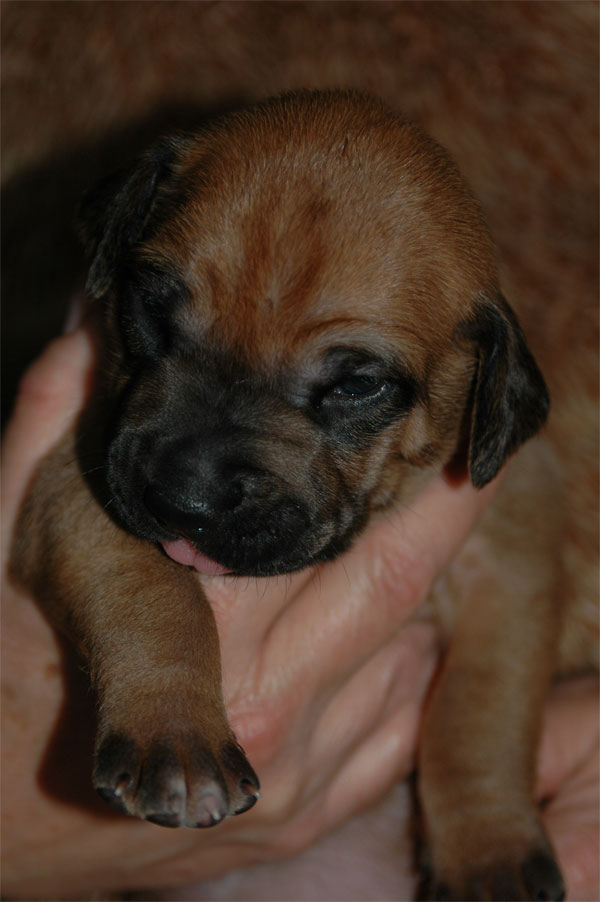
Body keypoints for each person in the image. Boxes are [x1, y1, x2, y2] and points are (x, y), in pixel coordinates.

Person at [2, 329, 598, 901]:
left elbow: (506, 589)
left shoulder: (459, 413)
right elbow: (76, 522)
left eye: (353, 384)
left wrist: (481, 807)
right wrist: (167, 684)